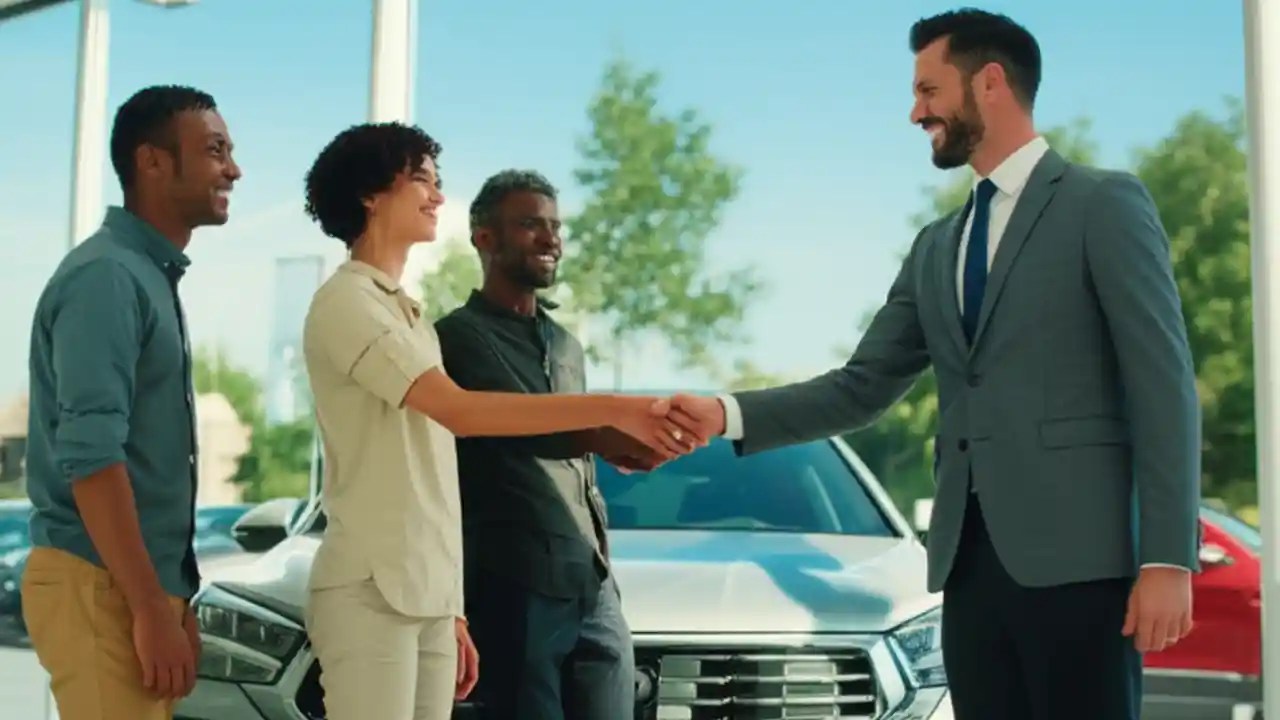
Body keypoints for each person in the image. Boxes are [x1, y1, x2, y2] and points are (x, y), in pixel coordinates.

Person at [666, 9, 1201, 720]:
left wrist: (1168, 558)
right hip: (967, 569)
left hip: (1080, 568)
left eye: (928, 90)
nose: (915, 112)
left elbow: (1163, 385)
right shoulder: (936, 245)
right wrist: (725, 413)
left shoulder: (1101, 204)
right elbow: (861, 387)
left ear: (990, 83)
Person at [300, 124, 700, 720]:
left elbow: (435, 475)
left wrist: (451, 608)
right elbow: (462, 411)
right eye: (422, 180)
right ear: (370, 194)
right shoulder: (348, 301)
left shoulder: (408, 316)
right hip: (370, 591)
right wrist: (614, 408)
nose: (438, 195)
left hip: (426, 598)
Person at [22, 84, 241, 720]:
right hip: (98, 580)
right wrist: (148, 604)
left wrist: (171, 598)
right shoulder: (108, 277)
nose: (234, 169)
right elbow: (92, 456)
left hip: (126, 581)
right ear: (152, 162)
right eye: (215, 150)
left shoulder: (145, 274)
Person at [434, 170, 657, 719]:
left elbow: (580, 466)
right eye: (531, 224)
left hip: (594, 587)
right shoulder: (456, 337)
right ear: (484, 237)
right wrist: (616, 431)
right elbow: (526, 428)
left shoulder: (567, 346)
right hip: (515, 589)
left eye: (556, 226)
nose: (551, 238)